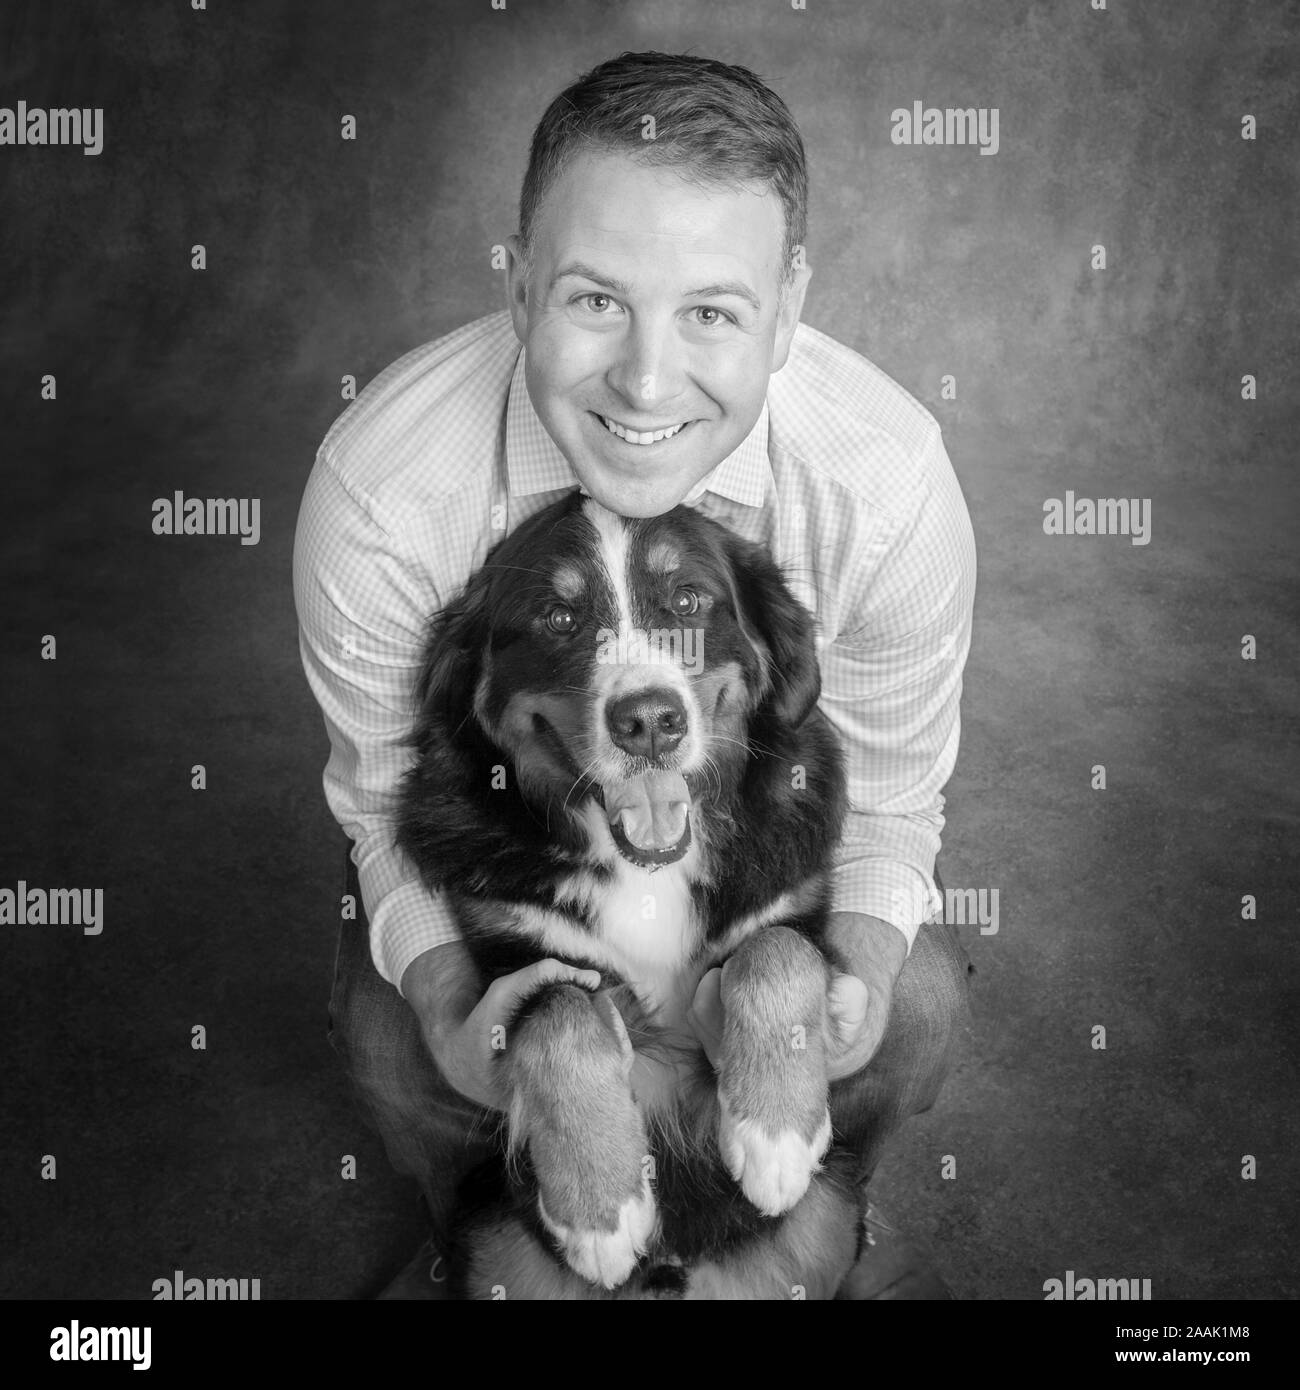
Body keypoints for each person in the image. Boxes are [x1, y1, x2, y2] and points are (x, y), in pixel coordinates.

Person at [293, 50, 976, 1300]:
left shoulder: (885, 485)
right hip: (515, 890)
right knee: (399, 1043)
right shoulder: (383, 489)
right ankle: (494, 1227)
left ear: (787, 308)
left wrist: (849, 982)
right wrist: (456, 1006)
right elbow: (386, 803)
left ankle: (800, 1209)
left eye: (712, 309)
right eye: (596, 300)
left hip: (747, 898)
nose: (648, 383)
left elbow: (886, 803)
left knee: (920, 994)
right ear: (517, 289)